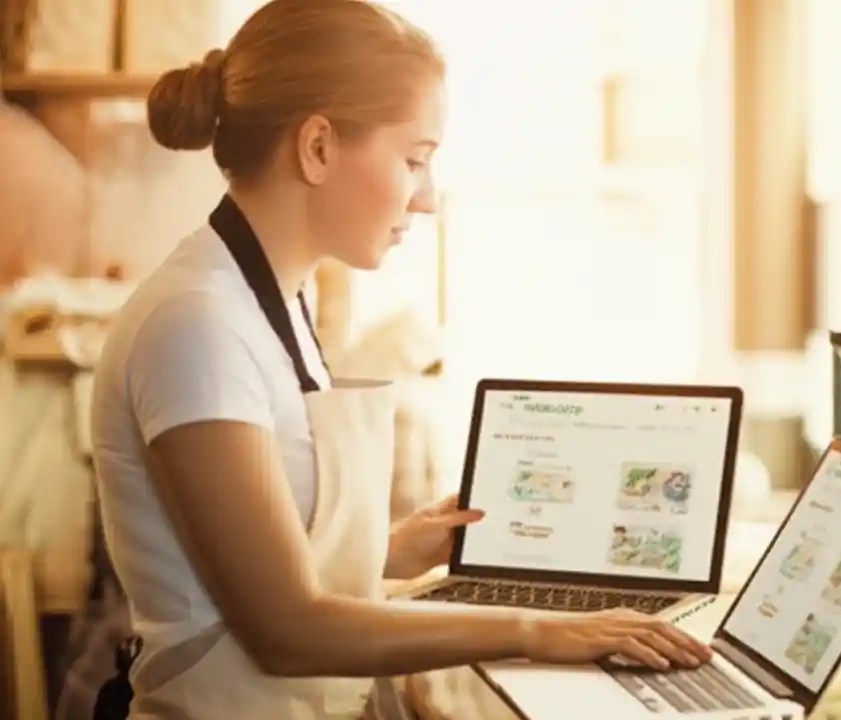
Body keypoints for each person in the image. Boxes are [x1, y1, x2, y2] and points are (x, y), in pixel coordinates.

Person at [88, 1, 710, 718]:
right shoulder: (195, 325)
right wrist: (540, 628)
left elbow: (240, 562)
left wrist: (391, 550)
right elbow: (285, 628)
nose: (428, 200)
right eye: (414, 159)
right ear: (317, 146)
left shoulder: (272, 300)